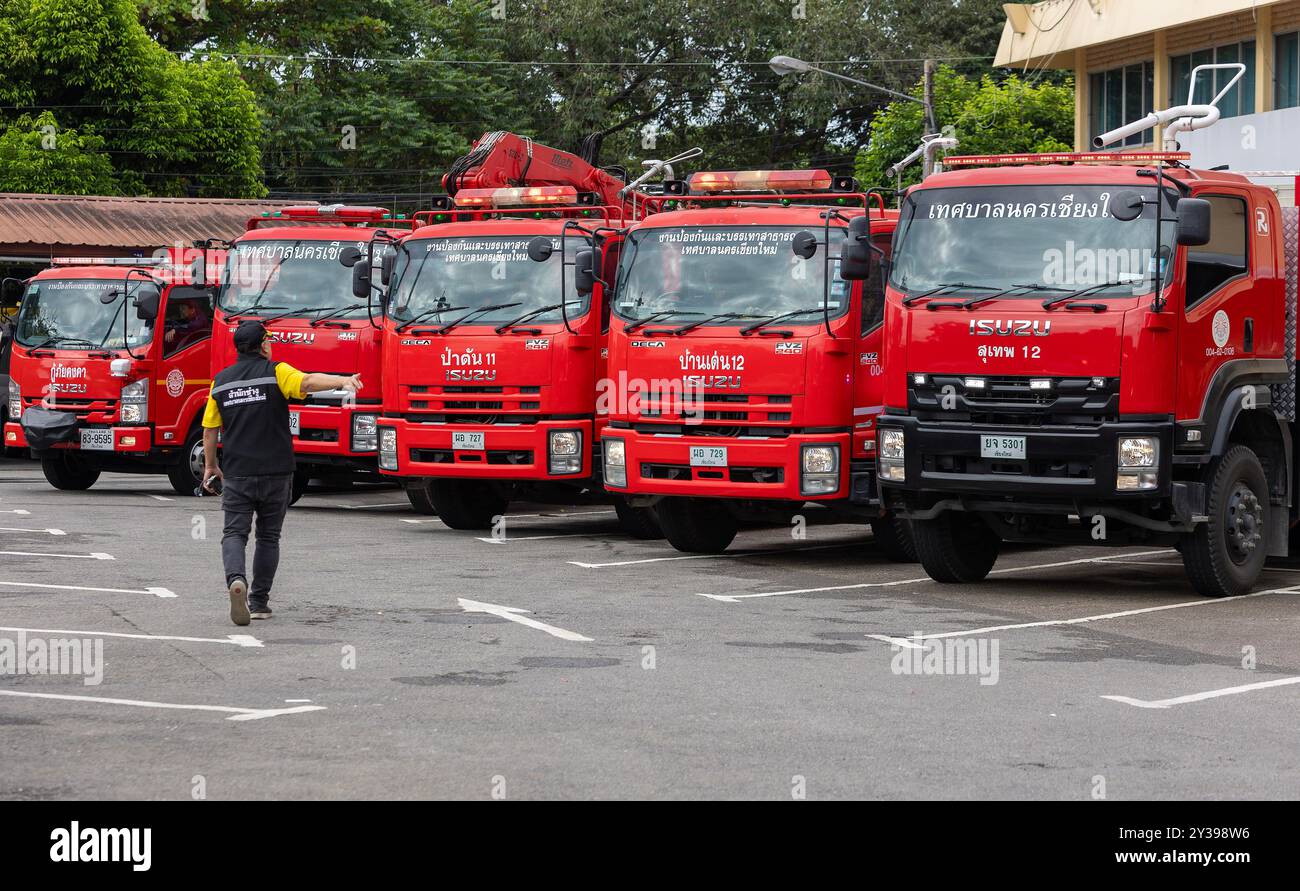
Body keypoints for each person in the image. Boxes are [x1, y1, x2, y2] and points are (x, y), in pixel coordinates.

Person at [201, 320, 362, 626]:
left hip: (237, 473)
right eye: (270, 340)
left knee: (234, 533)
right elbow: (308, 382)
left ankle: (236, 580)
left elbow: (210, 430)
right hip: (276, 471)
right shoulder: (276, 372)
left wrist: (210, 467)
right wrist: (342, 382)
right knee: (268, 537)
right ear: (263, 345)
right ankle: (259, 602)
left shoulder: (219, 382)